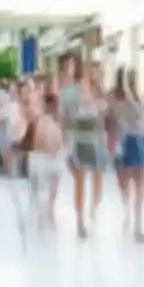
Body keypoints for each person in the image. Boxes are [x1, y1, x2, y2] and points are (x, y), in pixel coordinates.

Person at [58, 54, 107, 239]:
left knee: (97, 178)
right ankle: (80, 219)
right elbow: (65, 111)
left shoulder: (98, 94)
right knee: (80, 179)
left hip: (94, 139)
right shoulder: (72, 93)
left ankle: (93, 206)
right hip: (79, 139)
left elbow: (104, 113)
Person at [113, 68, 144, 243]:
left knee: (137, 187)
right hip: (134, 144)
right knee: (133, 186)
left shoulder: (139, 102)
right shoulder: (127, 103)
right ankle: (132, 218)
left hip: (137, 144)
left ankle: (136, 223)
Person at [28, 91, 64, 230]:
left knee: (50, 188)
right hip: (44, 157)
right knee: (46, 188)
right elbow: (38, 142)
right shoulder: (44, 121)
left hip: (49, 157)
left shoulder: (48, 120)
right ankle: (45, 214)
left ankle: (48, 212)